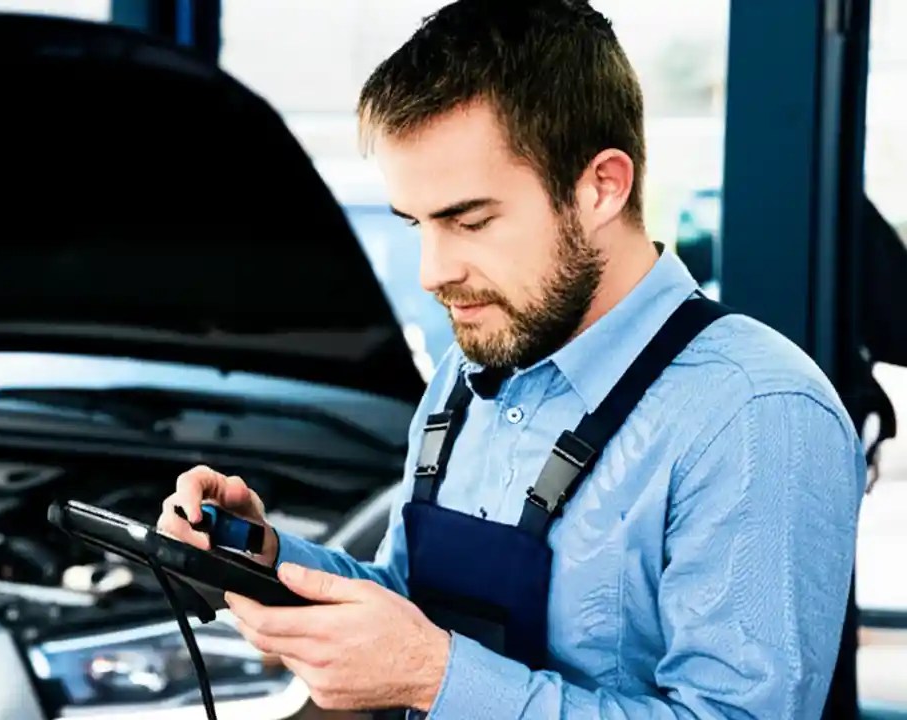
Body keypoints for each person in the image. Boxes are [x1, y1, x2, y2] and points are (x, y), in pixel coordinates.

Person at [157, 1, 867, 717]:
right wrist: (274, 562)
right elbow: (415, 608)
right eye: (418, 225)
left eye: (470, 221)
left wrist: (435, 678)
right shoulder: (464, 379)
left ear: (601, 187)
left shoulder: (753, 414)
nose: (433, 272)